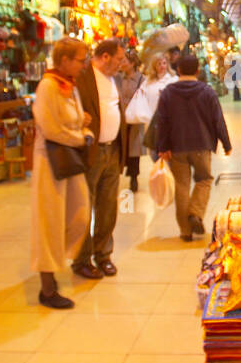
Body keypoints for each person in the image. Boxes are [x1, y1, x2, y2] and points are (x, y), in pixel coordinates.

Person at [31, 38, 94, 308]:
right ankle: (47, 286)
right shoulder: (48, 86)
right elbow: (50, 128)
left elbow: (77, 120)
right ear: (65, 60)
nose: (84, 65)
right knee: (49, 221)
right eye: (80, 59)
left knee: (80, 214)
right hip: (51, 162)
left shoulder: (69, 86)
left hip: (70, 159)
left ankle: (60, 261)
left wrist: (85, 129)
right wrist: (81, 138)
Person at [152, 52, 232, 242]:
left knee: (181, 185)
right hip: (202, 145)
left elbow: (161, 122)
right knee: (204, 180)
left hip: (177, 147)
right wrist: (226, 143)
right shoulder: (207, 91)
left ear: (178, 70)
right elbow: (217, 120)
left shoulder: (168, 92)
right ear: (198, 70)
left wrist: (162, 147)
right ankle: (195, 213)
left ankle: (185, 231)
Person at [74, 37, 128, 279]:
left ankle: (103, 255)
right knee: (85, 206)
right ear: (105, 56)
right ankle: (82, 259)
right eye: (118, 59)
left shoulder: (113, 78)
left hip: (112, 150)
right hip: (91, 152)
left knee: (107, 206)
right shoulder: (82, 77)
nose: (122, 63)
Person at [124, 52, 174, 193]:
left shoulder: (173, 80)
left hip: (168, 123)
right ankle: (165, 178)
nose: (162, 66)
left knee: (167, 153)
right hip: (152, 124)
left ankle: (170, 180)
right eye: (159, 64)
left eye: (164, 63)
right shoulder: (148, 82)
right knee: (154, 153)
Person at [116, 53, 143, 192]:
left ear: (132, 64)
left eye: (124, 61)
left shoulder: (141, 79)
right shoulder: (118, 78)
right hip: (120, 119)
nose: (122, 63)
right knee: (120, 147)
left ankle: (134, 177)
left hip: (134, 120)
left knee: (133, 150)